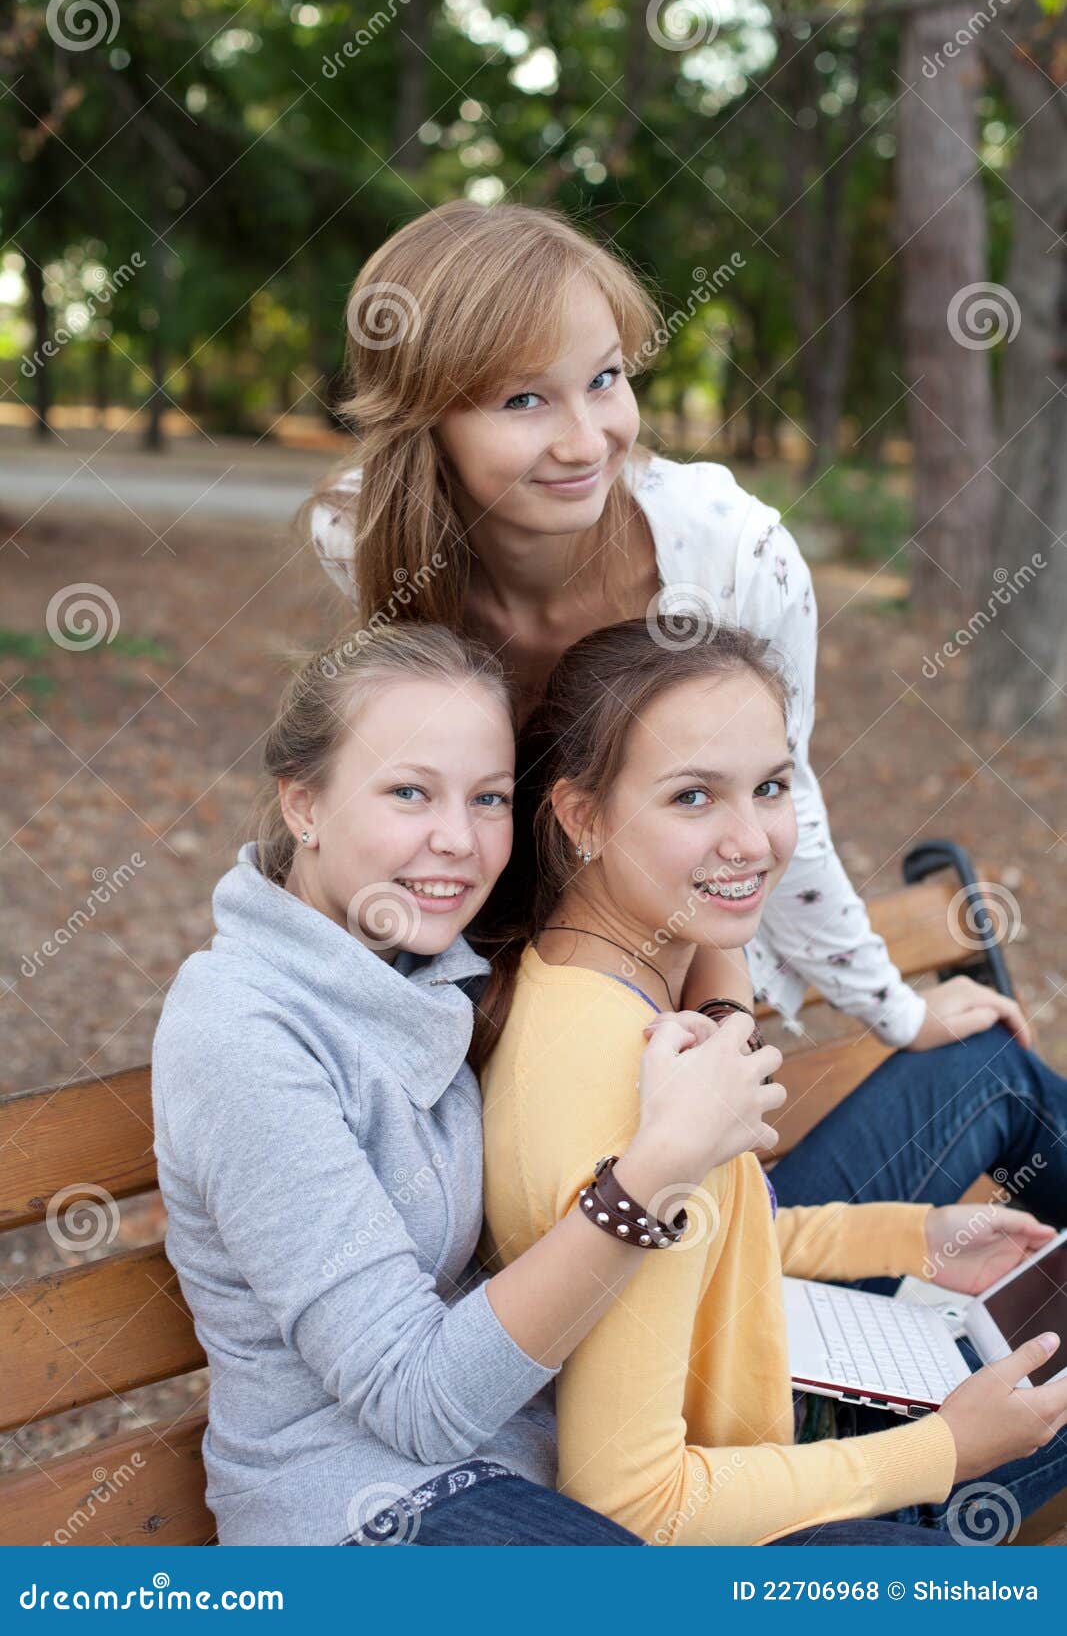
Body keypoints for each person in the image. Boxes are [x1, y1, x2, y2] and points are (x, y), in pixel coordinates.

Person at [303, 196, 1027, 1058]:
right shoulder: (360, 537)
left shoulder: (731, 553)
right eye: (524, 399)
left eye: (604, 379)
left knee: (998, 1077)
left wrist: (893, 1010)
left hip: (679, 973)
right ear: (427, 418)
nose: (585, 441)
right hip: (476, 970)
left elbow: (774, 796)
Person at [151, 620, 791, 1547]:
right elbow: (412, 1401)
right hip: (364, 1522)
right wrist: (657, 1171)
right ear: (303, 805)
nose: (456, 840)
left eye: (488, 798)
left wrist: (723, 1020)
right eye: (408, 792)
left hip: (531, 1472)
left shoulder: (429, 956)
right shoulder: (240, 1035)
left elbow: (690, 896)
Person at [477, 617, 1067, 1544]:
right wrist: (945, 1449)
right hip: (769, 1502)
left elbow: (708, 1241)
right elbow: (630, 1504)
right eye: (692, 797)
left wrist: (907, 1237)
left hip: (776, 1364)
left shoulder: (593, 974)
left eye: (769, 786)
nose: (751, 840)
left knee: (986, 1070)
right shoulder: (640, 1092)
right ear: (580, 817)